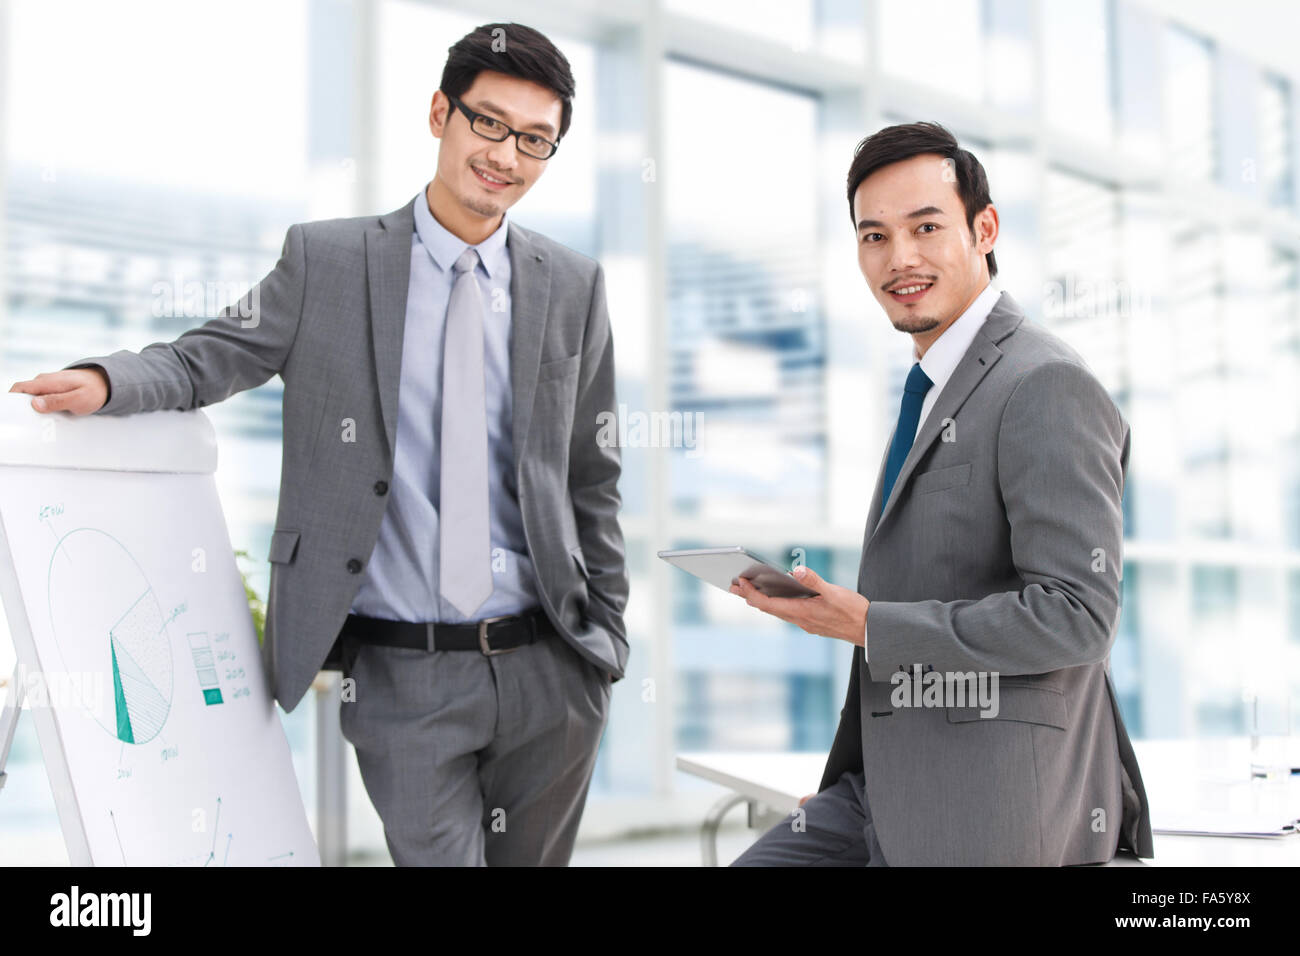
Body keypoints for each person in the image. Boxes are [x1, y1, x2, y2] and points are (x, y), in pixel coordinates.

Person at [8, 21, 627, 867]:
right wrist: (111, 381)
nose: (507, 156)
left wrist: (606, 644)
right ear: (440, 113)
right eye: (489, 123)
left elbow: (593, 475)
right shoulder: (329, 260)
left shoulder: (572, 284)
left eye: (534, 140)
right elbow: (211, 356)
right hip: (404, 673)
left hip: (549, 670)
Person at [728, 121, 1152, 866]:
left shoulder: (1043, 382)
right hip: (876, 794)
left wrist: (872, 626)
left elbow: (1079, 614)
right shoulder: (934, 386)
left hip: (989, 810)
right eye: (875, 237)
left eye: (926, 227)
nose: (901, 259)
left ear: (984, 228)